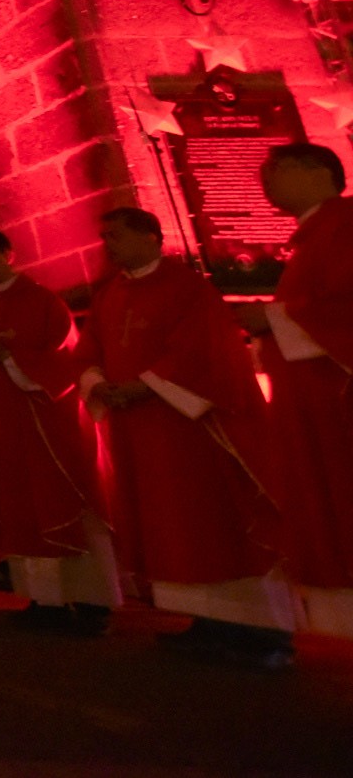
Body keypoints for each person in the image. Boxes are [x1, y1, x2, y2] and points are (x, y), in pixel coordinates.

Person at [80, 207, 293, 668]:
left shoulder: (188, 289)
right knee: (170, 526)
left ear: (151, 237)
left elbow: (204, 352)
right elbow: (90, 348)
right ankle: (206, 618)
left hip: (190, 431)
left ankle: (263, 632)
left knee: (212, 522)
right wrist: (98, 383)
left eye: (116, 235)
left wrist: (145, 384)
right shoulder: (110, 295)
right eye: (104, 236)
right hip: (140, 429)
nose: (108, 244)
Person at [0, 230, 118, 633]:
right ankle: (44, 599)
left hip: (46, 419)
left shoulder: (44, 301)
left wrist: (10, 358)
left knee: (63, 499)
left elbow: (64, 357)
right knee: (20, 506)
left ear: (9, 255)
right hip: (2, 420)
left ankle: (92, 601)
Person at [247, 144, 353, 640]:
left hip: (335, 400)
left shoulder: (343, 226)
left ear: (321, 172)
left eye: (277, 169)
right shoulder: (315, 236)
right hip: (311, 402)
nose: (266, 180)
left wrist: (267, 318)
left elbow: (343, 310)